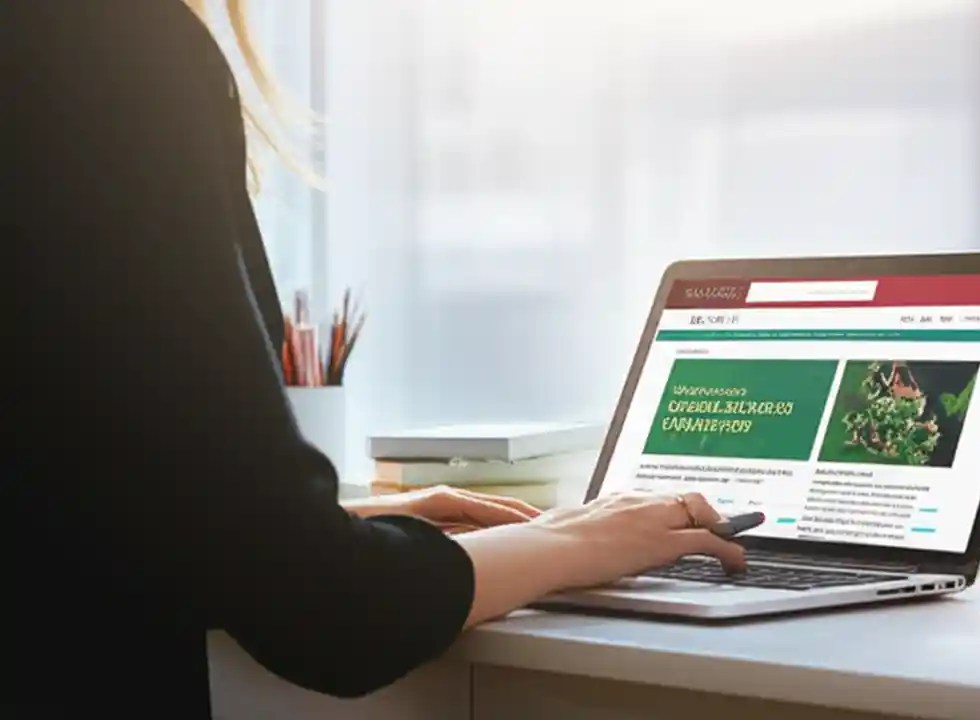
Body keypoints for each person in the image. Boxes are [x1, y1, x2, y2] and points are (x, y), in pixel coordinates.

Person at [1, 1, 745, 715]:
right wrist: (579, 539)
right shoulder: (99, 43)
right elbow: (321, 609)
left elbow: (57, 515)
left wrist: (327, 520)